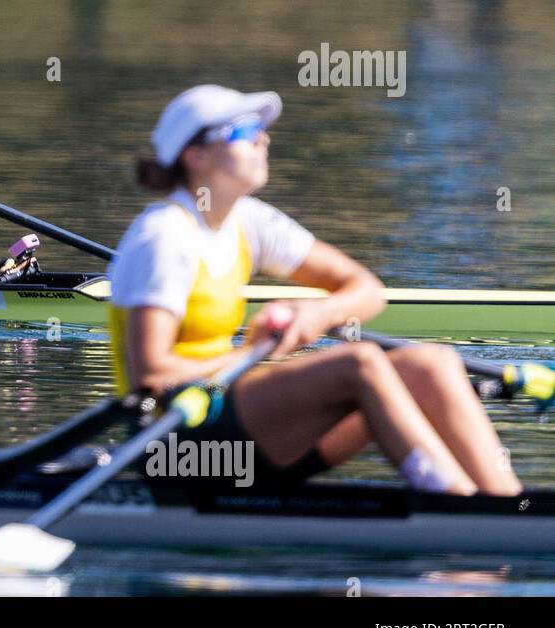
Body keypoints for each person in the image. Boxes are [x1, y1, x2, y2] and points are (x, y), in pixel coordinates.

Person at [108, 84, 521, 495]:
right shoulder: (163, 237)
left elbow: (367, 290)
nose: (262, 139)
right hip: (175, 450)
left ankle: (509, 505)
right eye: (242, 131)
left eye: (261, 130)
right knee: (360, 362)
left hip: (235, 425)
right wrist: (251, 351)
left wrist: (314, 314)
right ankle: (456, 505)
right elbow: (153, 377)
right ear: (194, 155)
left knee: (432, 363)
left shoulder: (248, 221)